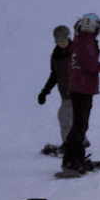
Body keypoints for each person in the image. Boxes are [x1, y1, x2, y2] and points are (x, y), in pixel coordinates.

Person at [60, 13, 100, 176]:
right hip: (83, 88)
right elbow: (91, 65)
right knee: (80, 125)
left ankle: (76, 160)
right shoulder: (88, 41)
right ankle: (71, 162)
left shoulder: (78, 41)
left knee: (79, 125)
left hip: (77, 87)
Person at [38, 25, 74, 156]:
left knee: (65, 117)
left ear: (68, 37)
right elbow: (54, 75)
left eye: (63, 38)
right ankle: (79, 142)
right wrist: (44, 92)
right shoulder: (56, 55)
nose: (61, 41)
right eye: (58, 39)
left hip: (78, 91)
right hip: (65, 94)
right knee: (71, 118)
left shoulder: (76, 50)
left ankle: (68, 145)